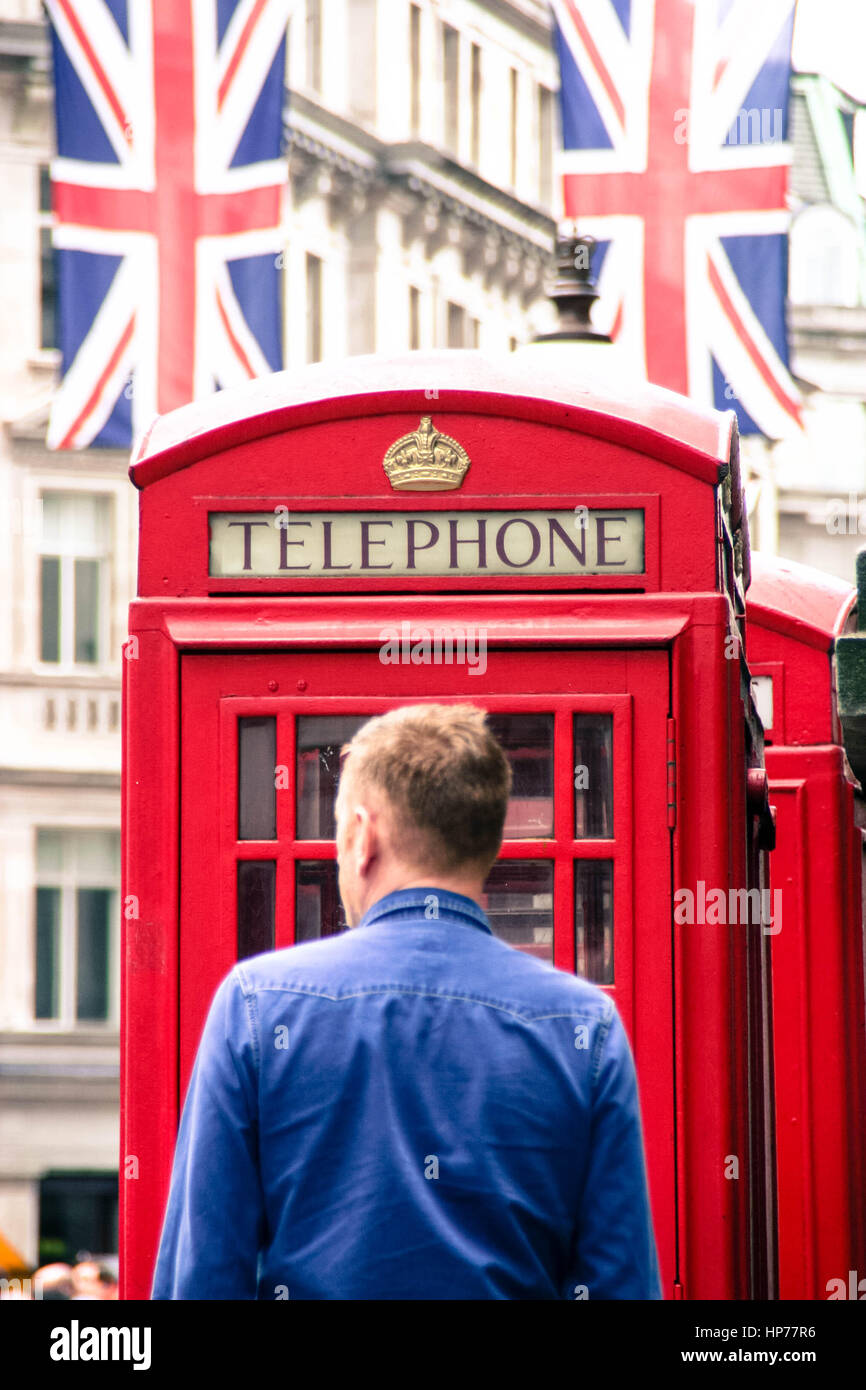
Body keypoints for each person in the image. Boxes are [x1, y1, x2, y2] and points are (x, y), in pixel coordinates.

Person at [152, 704, 661, 1300]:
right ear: (488, 844)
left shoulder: (257, 1006)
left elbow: (203, 1279)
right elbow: (620, 1282)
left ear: (361, 836)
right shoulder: (583, 1025)